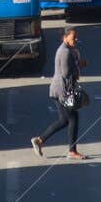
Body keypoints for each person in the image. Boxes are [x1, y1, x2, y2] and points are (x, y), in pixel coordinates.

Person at [31, 28, 88, 160]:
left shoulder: (67, 50)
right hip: (61, 91)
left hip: (58, 90)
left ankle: (39, 140)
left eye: (76, 37)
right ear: (65, 37)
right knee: (73, 118)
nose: (75, 40)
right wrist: (80, 64)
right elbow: (66, 73)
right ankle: (72, 151)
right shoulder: (65, 52)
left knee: (64, 120)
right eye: (73, 37)